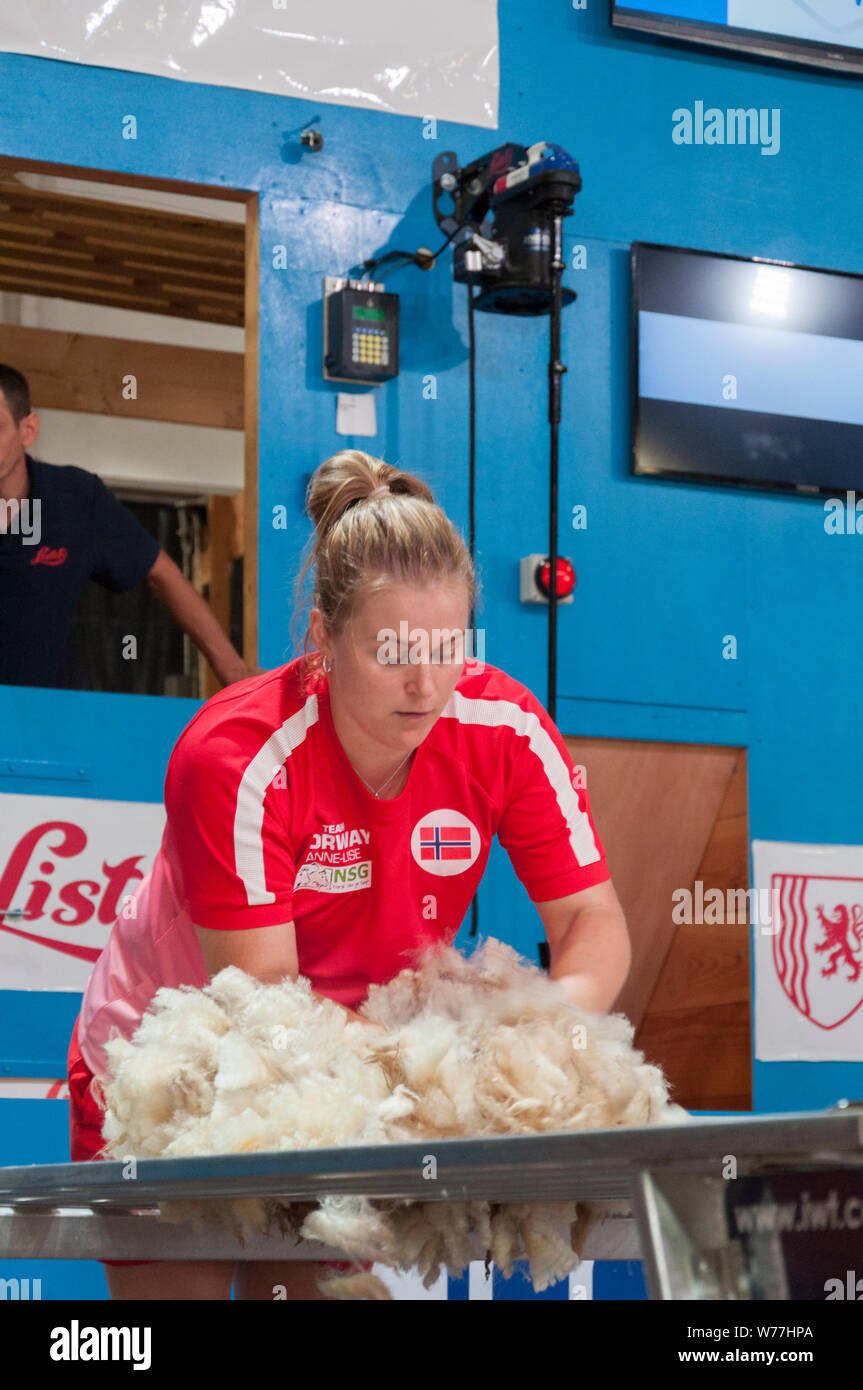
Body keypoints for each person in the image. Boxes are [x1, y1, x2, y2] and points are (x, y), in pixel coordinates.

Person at [66, 448, 631, 1301]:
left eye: (447, 648)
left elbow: (592, 924)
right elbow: (267, 1011)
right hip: (182, 1060)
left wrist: (530, 1039)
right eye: (392, 651)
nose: (425, 682)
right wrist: (448, 1056)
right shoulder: (235, 756)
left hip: (363, 1062)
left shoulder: (505, 728)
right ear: (325, 640)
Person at [0, 363, 254, 690]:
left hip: (45, 717)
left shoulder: (75, 498)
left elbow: (161, 574)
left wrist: (232, 669)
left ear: (28, 430)